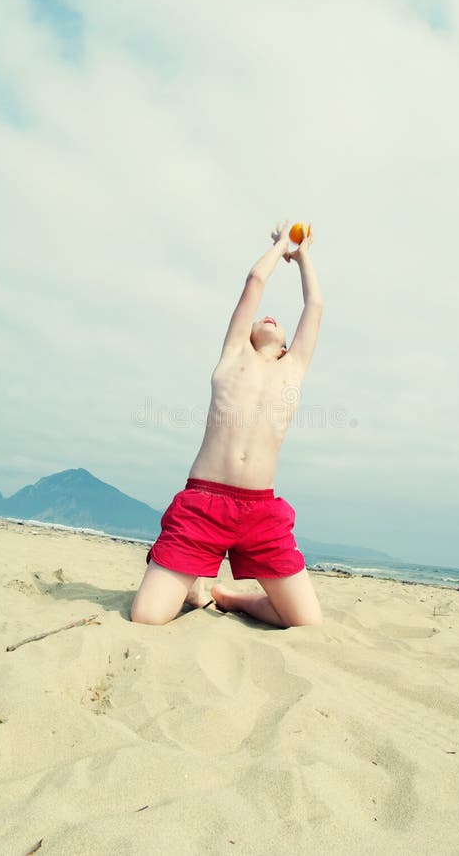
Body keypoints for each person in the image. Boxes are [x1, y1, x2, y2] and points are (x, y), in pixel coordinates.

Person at [130, 220, 323, 628]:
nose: (268, 316)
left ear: (287, 345)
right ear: (247, 333)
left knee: (306, 622)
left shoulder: (293, 369)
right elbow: (255, 281)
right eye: (261, 319)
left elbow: (315, 307)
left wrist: (303, 255)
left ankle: (234, 598)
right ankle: (193, 589)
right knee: (147, 616)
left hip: (261, 512)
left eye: (277, 322)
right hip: (204, 503)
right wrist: (280, 245)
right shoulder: (234, 354)